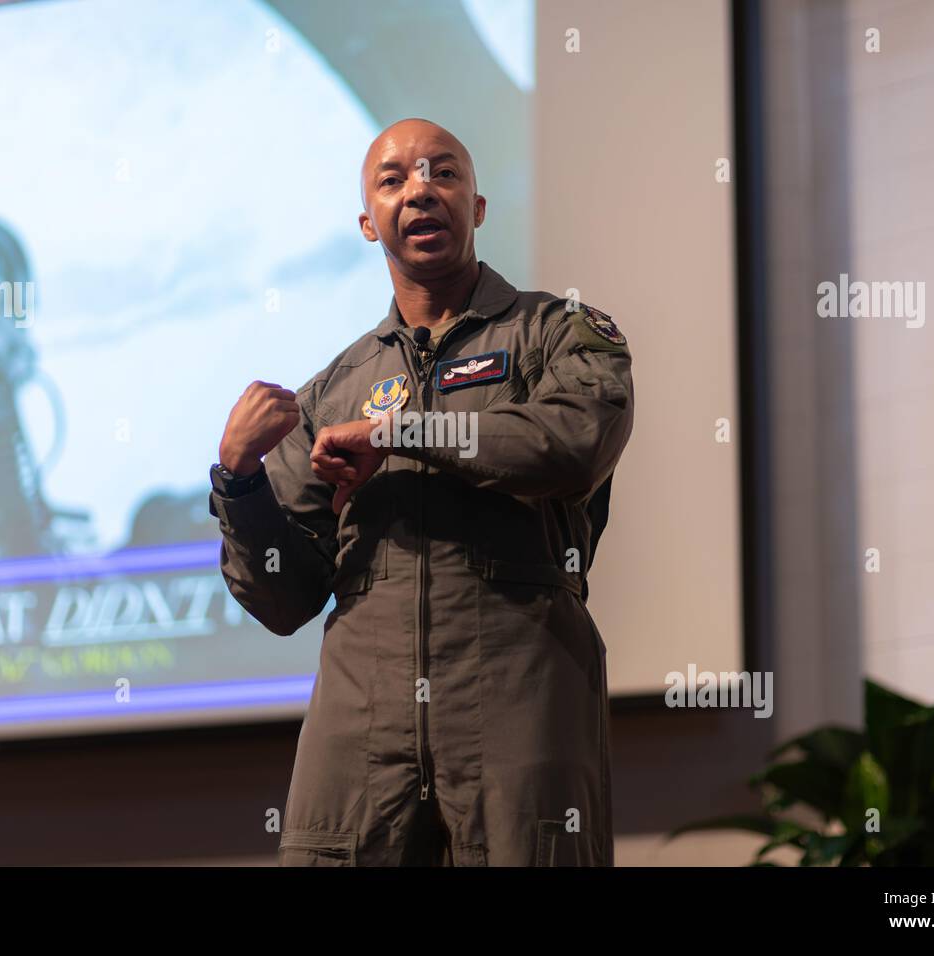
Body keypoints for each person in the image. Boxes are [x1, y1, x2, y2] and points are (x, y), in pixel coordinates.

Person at [209, 118, 635, 866]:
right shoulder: (334, 390)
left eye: (444, 173)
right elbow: (284, 601)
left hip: (518, 691)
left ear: (476, 207)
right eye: (395, 178)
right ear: (369, 223)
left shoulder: (558, 332)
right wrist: (240, 484)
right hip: (363, 714)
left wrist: (404, 433)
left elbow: (575, 443)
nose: (421, 190)